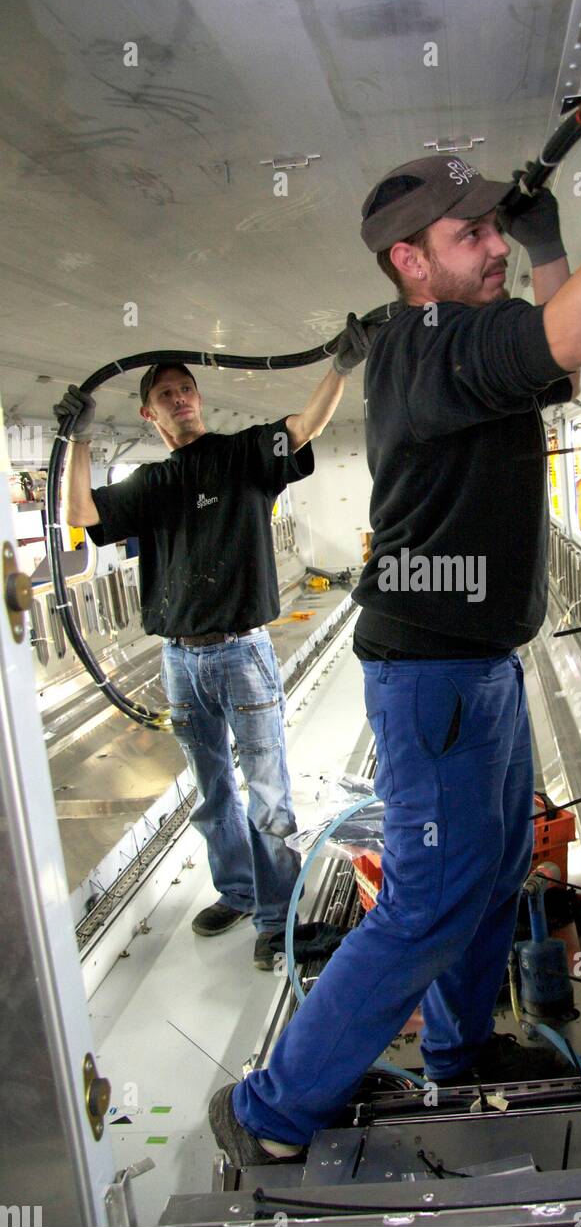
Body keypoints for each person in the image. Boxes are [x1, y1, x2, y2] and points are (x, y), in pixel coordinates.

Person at [209, 73, 581, 1162]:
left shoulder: (466, 339)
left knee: (495, 867)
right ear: (410, 263)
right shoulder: (428, 347)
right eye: (472, 234)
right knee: (424, 900)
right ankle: (270, 1112)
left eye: (496, 227)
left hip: (480, 672)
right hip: (434, 684)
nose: (492, 246)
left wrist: (548, 244)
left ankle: (458, 1057)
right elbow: (568, 339)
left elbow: (564, 351)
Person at [57, 318, 370, 969]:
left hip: (242, 652)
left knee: (268, 791)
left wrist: (338, 368)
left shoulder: (244, 457)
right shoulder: (152, 485)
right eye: (166, 394)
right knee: (211, 791)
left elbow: (303, 427)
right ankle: (238, 890)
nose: (181, 398)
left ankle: (276, 921)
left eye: (186, 388)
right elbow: (80, 516)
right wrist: (77, 439)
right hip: (180, 659)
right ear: (149, 414)